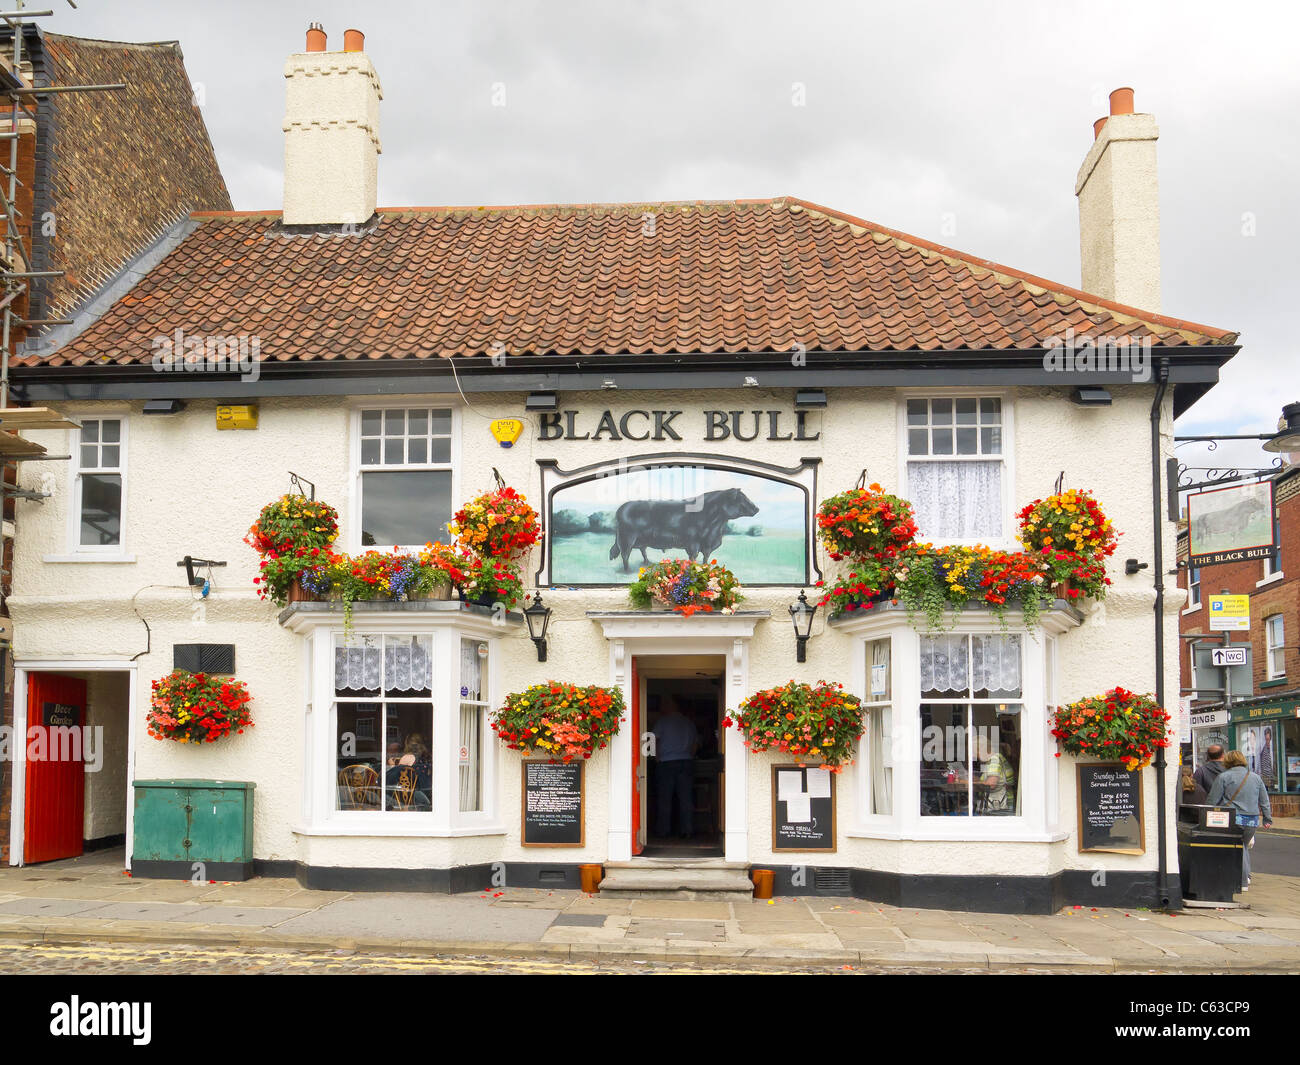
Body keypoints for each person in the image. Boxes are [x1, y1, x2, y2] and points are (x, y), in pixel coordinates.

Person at [1206, 750, 1273, 892]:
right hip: (1252, 820)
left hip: (1232, 818)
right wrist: (1267, 819)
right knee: (1243, 846)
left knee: (1237, 847)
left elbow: (1212, 800)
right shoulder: (1256, 778)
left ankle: (1241, 881)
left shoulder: (1223, 777)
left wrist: (1206, 814)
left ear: (1227, 761)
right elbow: (1264, 800)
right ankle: (1246, 876)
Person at [652, 697, 698, 840]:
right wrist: (689, 756)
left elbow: (654, 741)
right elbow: (695, 744)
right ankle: (687, 830)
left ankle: (663, 831)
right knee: (686, 798)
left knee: (665, 798)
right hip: (686, 761)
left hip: (666, 762)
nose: (662, 707)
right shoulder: (688, 722)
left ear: (670, 705)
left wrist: (656, 758)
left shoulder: (662, 722)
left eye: (664, 704)